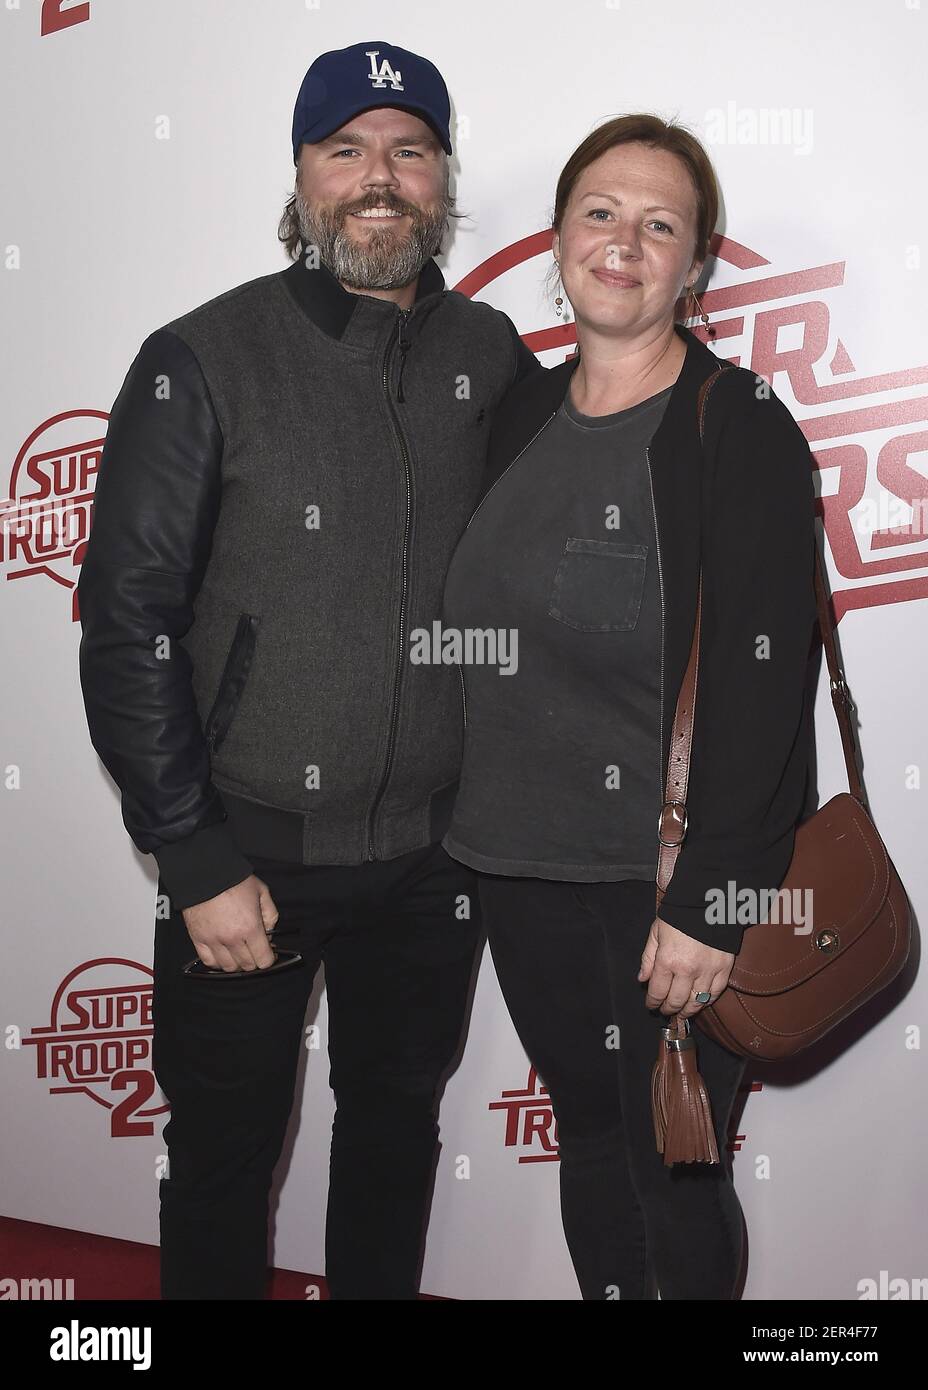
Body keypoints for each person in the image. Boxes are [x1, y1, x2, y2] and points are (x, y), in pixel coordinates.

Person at [76, 39, 540, 1300]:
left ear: (443, 178)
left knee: (393, 1138)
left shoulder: (490, 352)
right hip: (245, 859)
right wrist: (193, 851)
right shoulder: (201, 357)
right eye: (346, 151)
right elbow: (127, 625)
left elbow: (602, 480)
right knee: (224, 1158)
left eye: (407, 149)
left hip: (430, 862)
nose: (377, 179)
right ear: (302, 175)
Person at [441, 113, 817, 1300]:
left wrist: (714, 900)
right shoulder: (512, 413)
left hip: (662, 892)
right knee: (597, 1145)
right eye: (600, 213)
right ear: (557, 240)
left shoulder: (737, 426)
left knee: (673, 1168)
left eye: (660, 224)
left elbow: (766, 681)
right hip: (517, 865)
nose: (624, 242)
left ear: (695, 264)